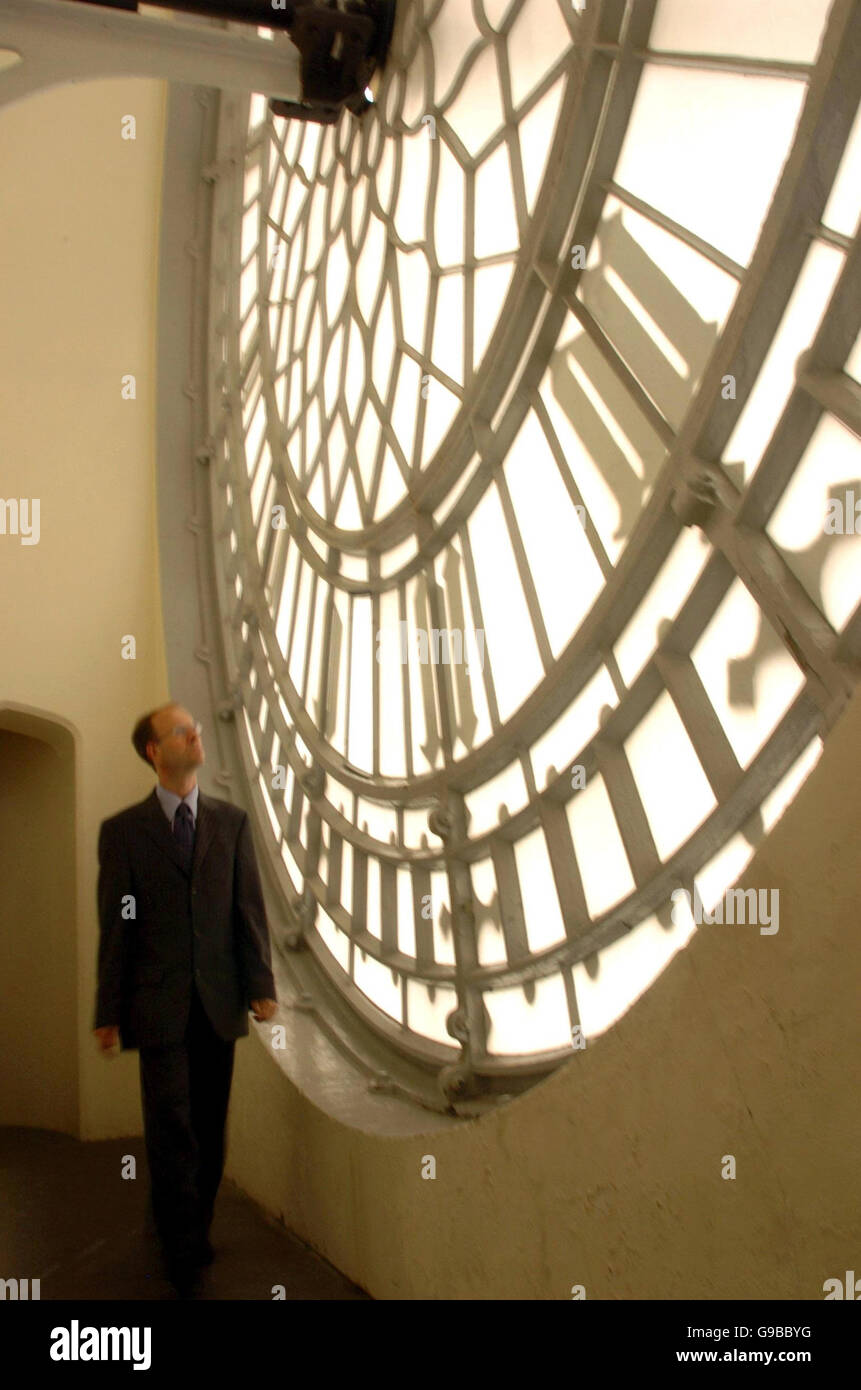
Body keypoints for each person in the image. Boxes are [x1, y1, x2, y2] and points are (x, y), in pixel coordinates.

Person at [92, 702, 278, 1298]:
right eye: (180, 730)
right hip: (158, 1005)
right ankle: (180, 1249)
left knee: (207, 1125)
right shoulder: (123, 832)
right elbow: (117, 925)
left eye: (194, 727)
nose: (195, 734)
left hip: (219, 1002)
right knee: (170, 1124)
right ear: (154, 750)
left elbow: (247, 910)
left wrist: (261, 985)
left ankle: (193, 1228)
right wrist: (108, 1011)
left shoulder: (232, 822)